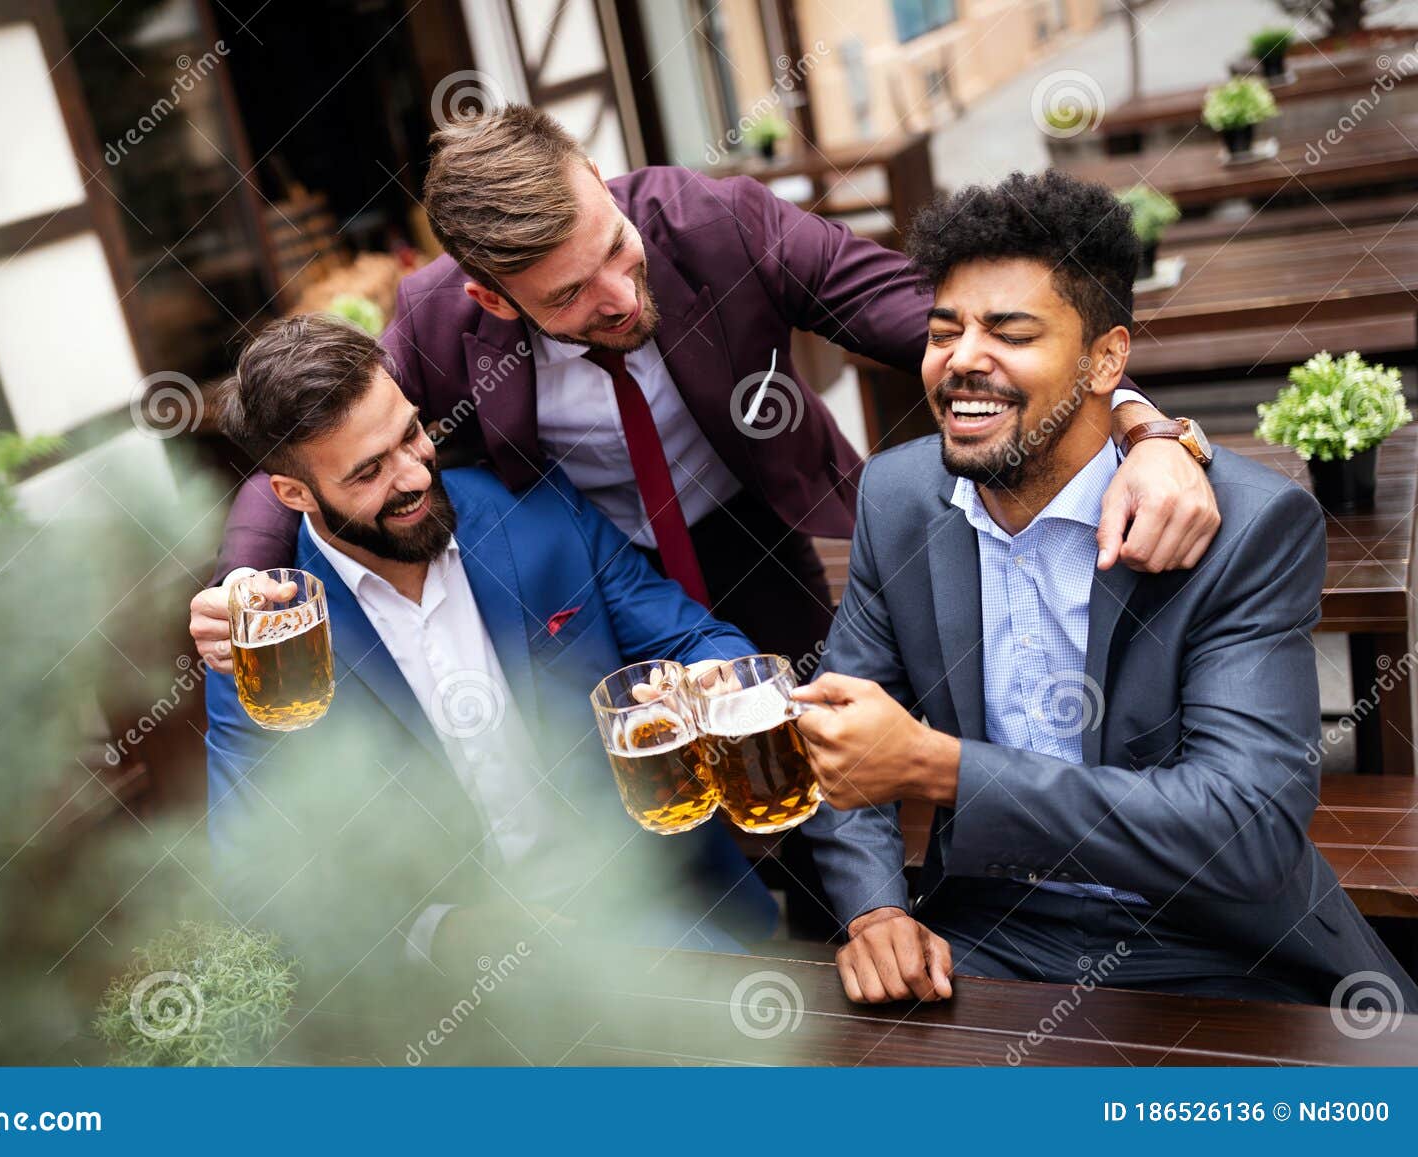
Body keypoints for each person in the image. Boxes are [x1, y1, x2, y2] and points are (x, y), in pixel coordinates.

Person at [190, 105, 1221, 938]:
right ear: (492, 300)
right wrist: (244, 581)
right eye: (570, 294)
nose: (616, 291)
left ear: (599, 179)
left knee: (818, 779)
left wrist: (1142, 423)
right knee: (659, 830)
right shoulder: (433, 322)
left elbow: (945, 329)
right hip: (583, 573)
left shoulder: (715, 222)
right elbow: (313, 447)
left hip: (750, 535)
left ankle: (870, 955)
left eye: (613, 248)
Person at [791, 170, 1418, 1009]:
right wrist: (873, 910)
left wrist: (946, 769)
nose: (963, 358)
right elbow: (843, 725)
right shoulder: (899, 498)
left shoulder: (1246, 526)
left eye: (1009, 332)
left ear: (1106, 359)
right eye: (946, 330)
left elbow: (1245, 827)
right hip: (989, 928)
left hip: (1212, 945)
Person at [203, 313, 775, 995]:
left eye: (412, 434)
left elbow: (697, 641)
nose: (414, 475)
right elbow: (252, 873)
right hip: (446, 996)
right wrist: (442, 932)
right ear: (294, 494)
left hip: (660, 915)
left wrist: (710, 684)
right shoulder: (266, 639)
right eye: (368, 473)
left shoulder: (535, 512)